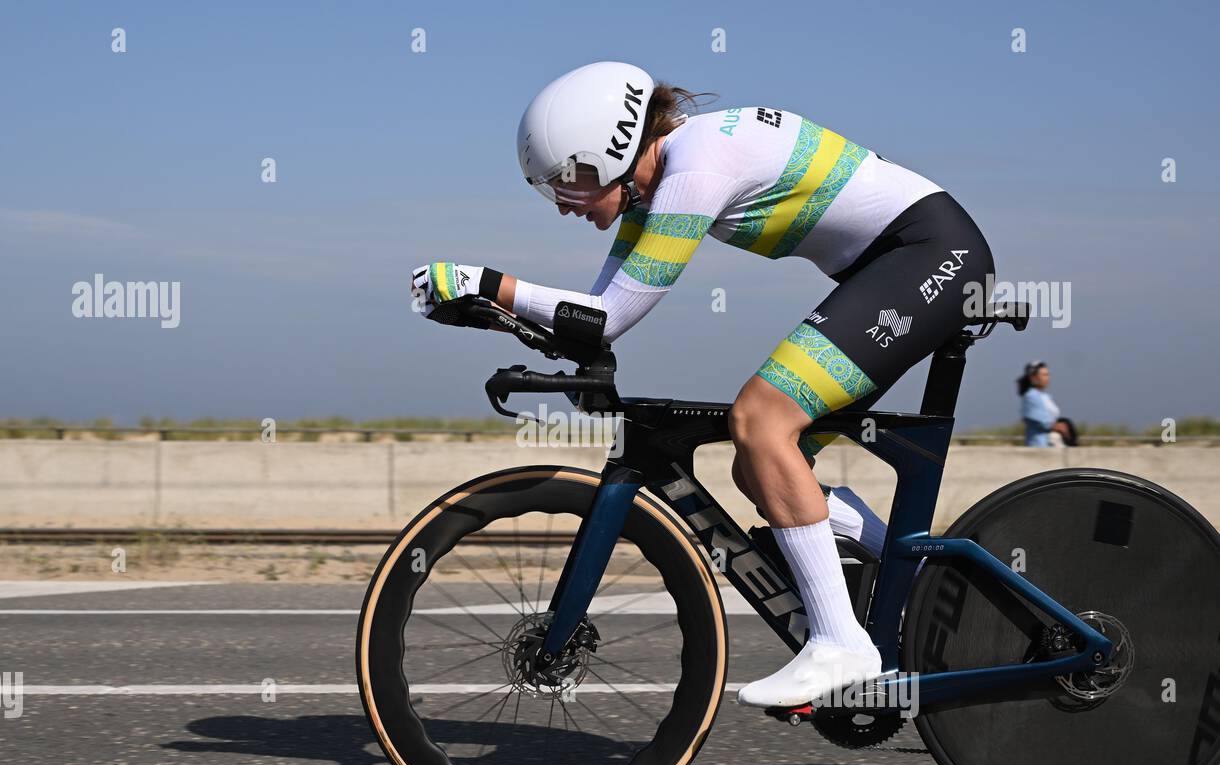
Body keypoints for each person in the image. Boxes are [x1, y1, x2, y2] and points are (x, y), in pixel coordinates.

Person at [411, 61, 994, 708]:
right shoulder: (652, 184)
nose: (567, 206)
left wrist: (487, 283)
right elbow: (593, 320)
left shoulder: (697, 166)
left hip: (931, 257)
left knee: (761, 422)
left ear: (611, 149)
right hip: (892, 265)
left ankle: (840, 644)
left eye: (568, 184)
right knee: (762, 468)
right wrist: (492, 314)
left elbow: (608, 318)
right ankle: (929, 586)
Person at [1018, 361, 1076, 447]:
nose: (1047, 378)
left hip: (1053, 443)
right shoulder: (1030, 396)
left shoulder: (1046, 396)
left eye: (1048, 374)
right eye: (1044, 375)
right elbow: (1043, 422)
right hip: (1039, 445)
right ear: (1033, 378)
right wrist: (1061, 427)